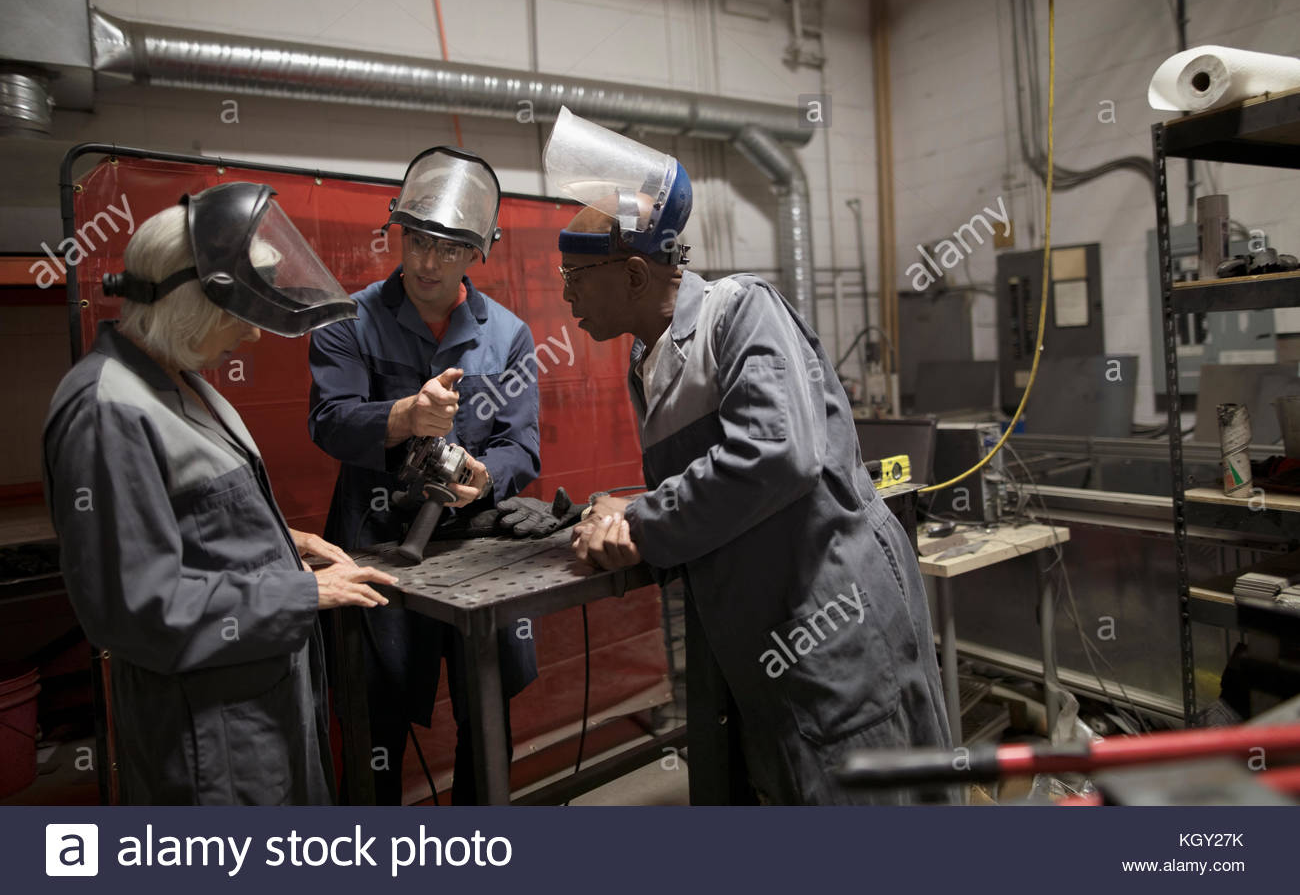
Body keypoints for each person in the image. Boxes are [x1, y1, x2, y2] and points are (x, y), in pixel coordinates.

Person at [545, 107, 952, 805]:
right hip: (765, 637)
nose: (566, 295)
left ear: (637, 275)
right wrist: (630, 508)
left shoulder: (739, 312)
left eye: (578, 278)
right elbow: (712, 487)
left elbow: (775, 456)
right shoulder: (649, 363)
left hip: (832, 621)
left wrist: (640, 526)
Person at [43, 184, 397, 805]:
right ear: (188, 305)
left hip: (256, 708)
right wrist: (299, 591)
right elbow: (136, 607)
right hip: (210, 739)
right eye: (241, 316)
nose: (255, 338)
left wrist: (286, 542)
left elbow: (189, 526)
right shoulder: (109, 411)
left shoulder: (180, 383)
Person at [308, 147, 540, 804]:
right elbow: (329, 422)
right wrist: (406, 415)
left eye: (448, 249)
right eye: (416, 242)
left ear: (477, 253)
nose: (427, 263)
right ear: (399, 235)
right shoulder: (346, 322)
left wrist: (484, 472)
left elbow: (521, 443)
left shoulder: (510, 336)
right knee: (372, 722)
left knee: (487, 718)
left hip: (476, 552)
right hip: (374, 550)